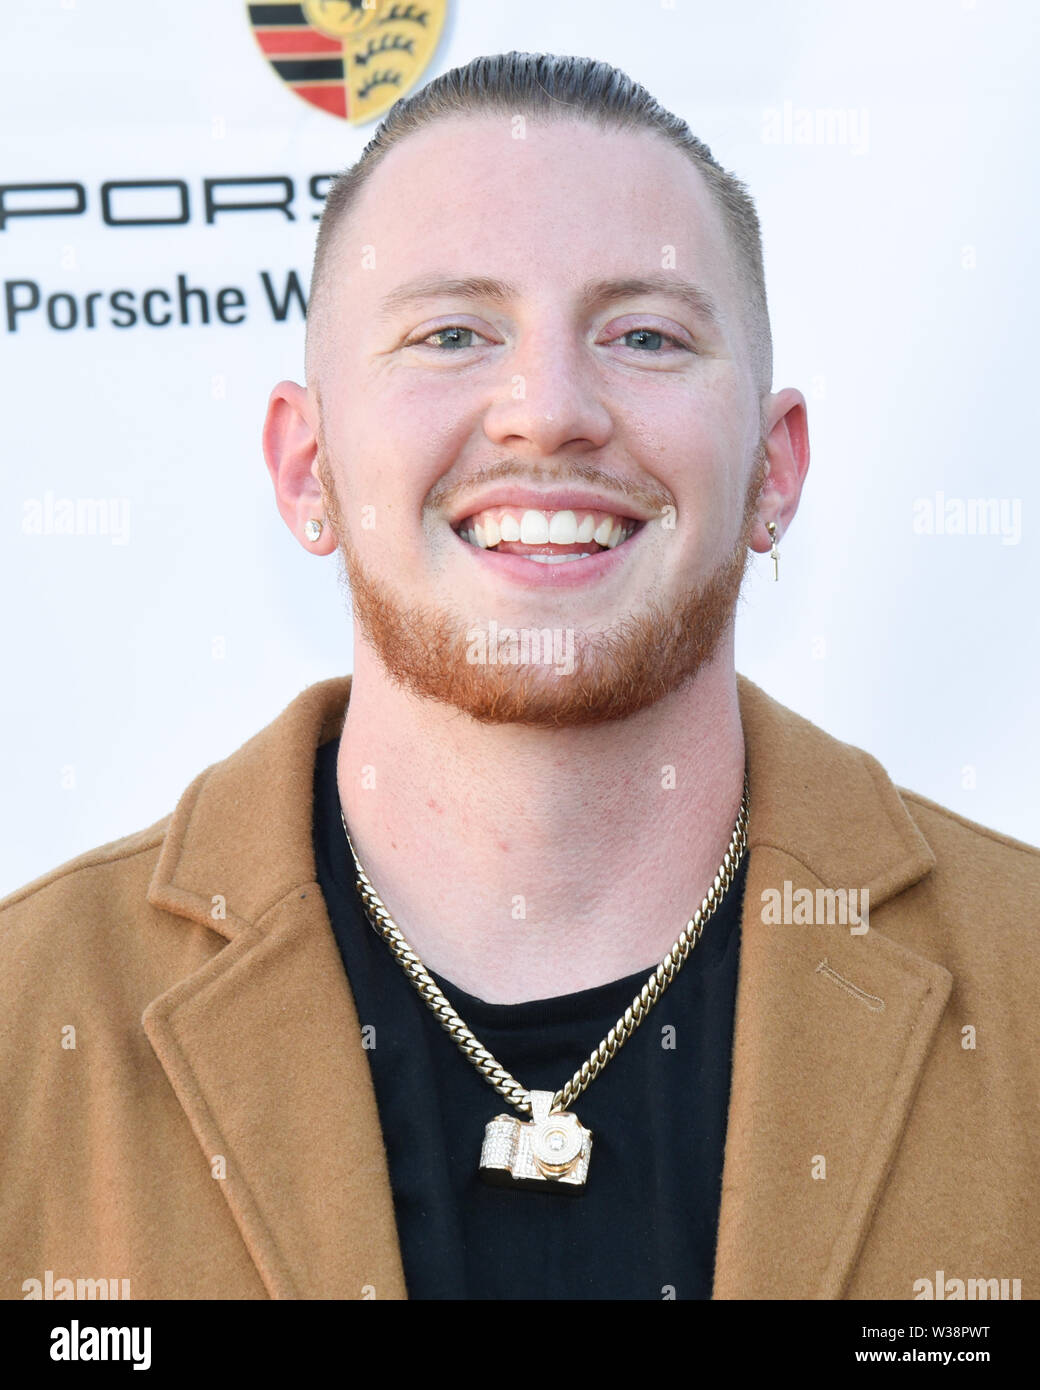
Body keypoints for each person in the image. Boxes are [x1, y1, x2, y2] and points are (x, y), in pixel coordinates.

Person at [2, 52, 1037, 1303]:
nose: (546, 411)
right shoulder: (29, 1017)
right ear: (304, 468)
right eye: (451, 332)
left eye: (643, 335)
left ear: (774, 469)